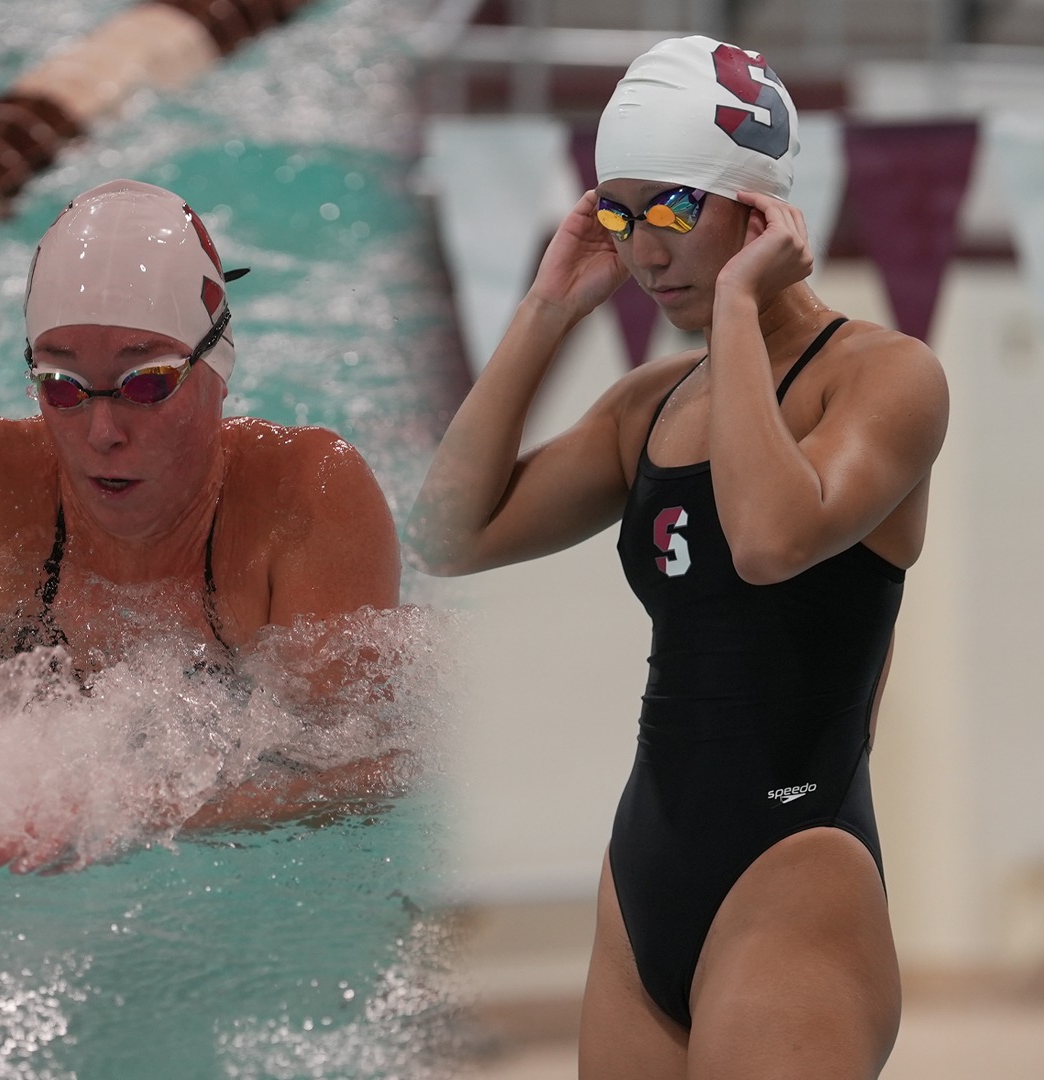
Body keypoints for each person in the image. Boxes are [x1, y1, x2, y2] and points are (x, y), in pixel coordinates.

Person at [403, 37, 947, 1078]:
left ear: (758, 212)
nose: (644, 251)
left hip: (795, 873)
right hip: (646, 865)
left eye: (670, 210)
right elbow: (448, 536)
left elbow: (772, 536)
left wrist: (739, 308)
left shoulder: (887, 377)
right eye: (619, 212)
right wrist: (547, 308)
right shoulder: (649, 406)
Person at [0, 179, 407, 873]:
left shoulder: (306, 498)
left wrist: (141, 811)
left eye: (147, 383)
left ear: (217, 366)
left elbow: (371, 772)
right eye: (61, 387)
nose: (103, 431)